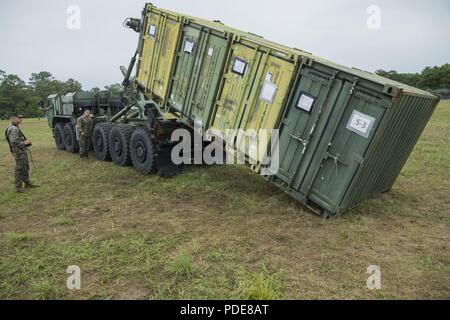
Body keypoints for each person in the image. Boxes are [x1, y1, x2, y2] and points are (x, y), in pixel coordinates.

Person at [5, 114, 38, 193]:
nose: (21, 119)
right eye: (19, 118)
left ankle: (27, 183)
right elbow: (14, 141)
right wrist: (25, 143)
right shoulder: (13, 128)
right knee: (19, 169)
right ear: (13, 118)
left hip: (21, 151)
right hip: (18, 152)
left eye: (21, 118)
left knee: (25, 167)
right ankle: (18, 187)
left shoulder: (14, 127)